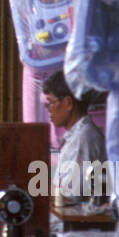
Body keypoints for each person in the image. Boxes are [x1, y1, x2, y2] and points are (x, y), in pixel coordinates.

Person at [42, 69, 108, 208]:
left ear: (68, 103)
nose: (48, 109)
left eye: (51, 103)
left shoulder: (83, 138)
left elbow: (70, 196)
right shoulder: (76, 136)